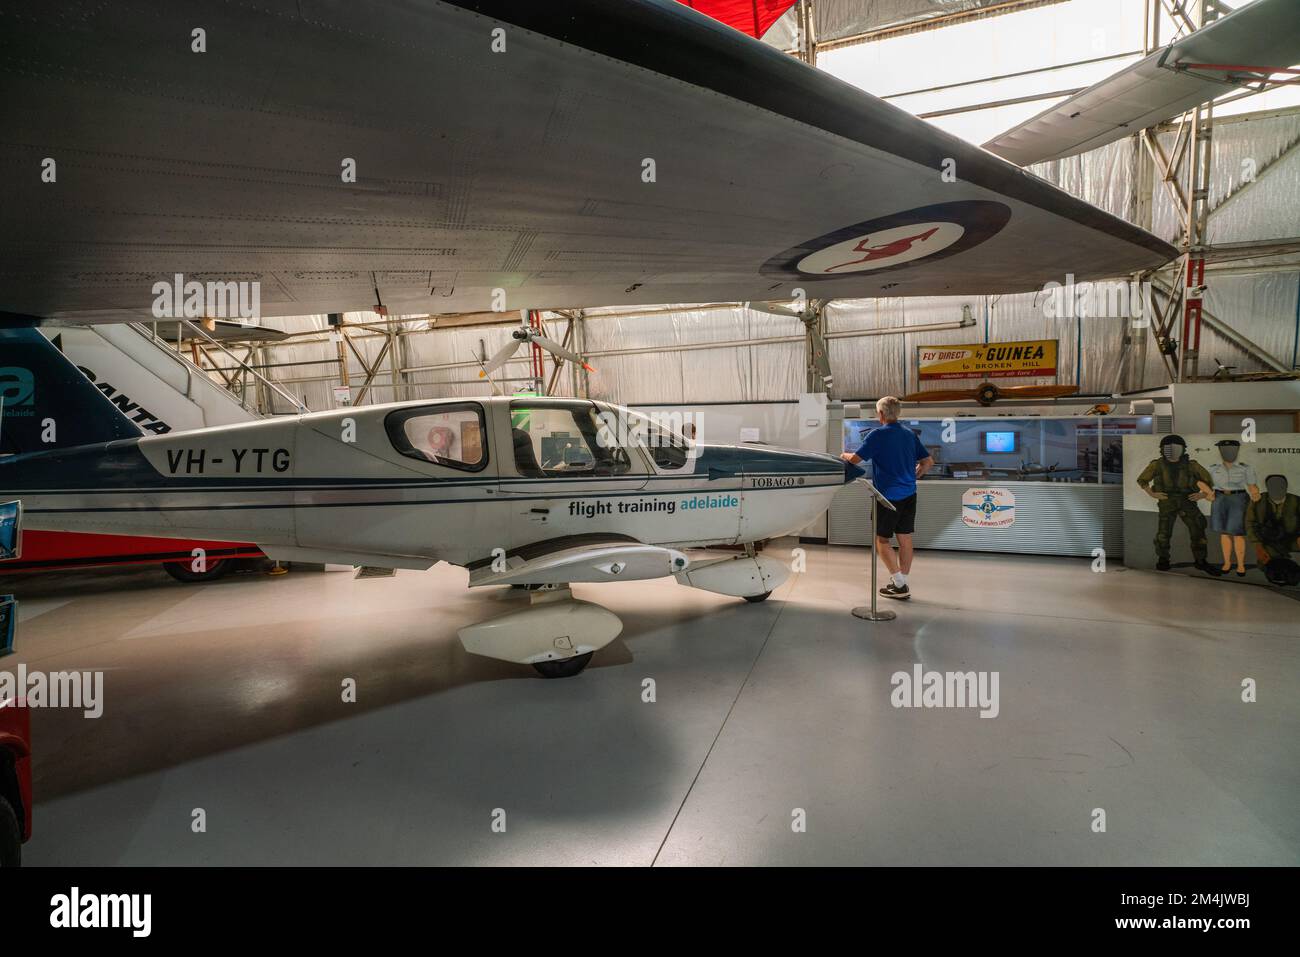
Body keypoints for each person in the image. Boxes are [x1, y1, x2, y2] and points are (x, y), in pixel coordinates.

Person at [840, 396, 933, 600]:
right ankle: (902, 581)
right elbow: (928, 461)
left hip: (887, 497)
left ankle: (899, 584)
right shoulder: (909, 434)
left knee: (882, 540)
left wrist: (844, 455)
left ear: (881, 414)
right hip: (910, 494)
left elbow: (855, 459)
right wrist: (915, 475)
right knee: (905, 538)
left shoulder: (877, 435)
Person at [1134, 434, 1216, 574]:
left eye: (1176, 448)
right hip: (1167, 501)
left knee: (1198, 530)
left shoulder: (1192, 465)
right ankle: (1163, 559)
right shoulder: (1157, 465)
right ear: (1162, 449)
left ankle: (1200, 560)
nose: (1172, 450)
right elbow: (1142, 480)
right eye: (1168, 448)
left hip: (1187, 500)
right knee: (1163, 533)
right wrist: (1152, 494)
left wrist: (1202, 494)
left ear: (1183, 449)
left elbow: (1209, 482)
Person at [1204, 438, 1260, 576]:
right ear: (1220, 451)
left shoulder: (1245, 468)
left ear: (1237, 451)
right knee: (1224, 533)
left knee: (1238, 534)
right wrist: (1208, 494)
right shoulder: (1213, 468)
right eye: (1224, 450)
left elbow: (1252, 486)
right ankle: (1227, 562)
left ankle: (1240, 565)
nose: (1227, 452)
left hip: (1238, 499)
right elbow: (1205, 485)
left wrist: (1255, 493)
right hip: (1220, 499)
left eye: (1231, 450)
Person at [1246, 473, 1300, 585]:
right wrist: (1257, 545)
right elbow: (1249, 523)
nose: (1277, 490)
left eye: (1281, 487)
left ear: (1286, 487)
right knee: (1271, 564)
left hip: (1292, 539)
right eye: (1273, 487)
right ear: (1267, 488)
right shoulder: (1257, 501)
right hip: (1268, 541)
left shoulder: (1296, 501)